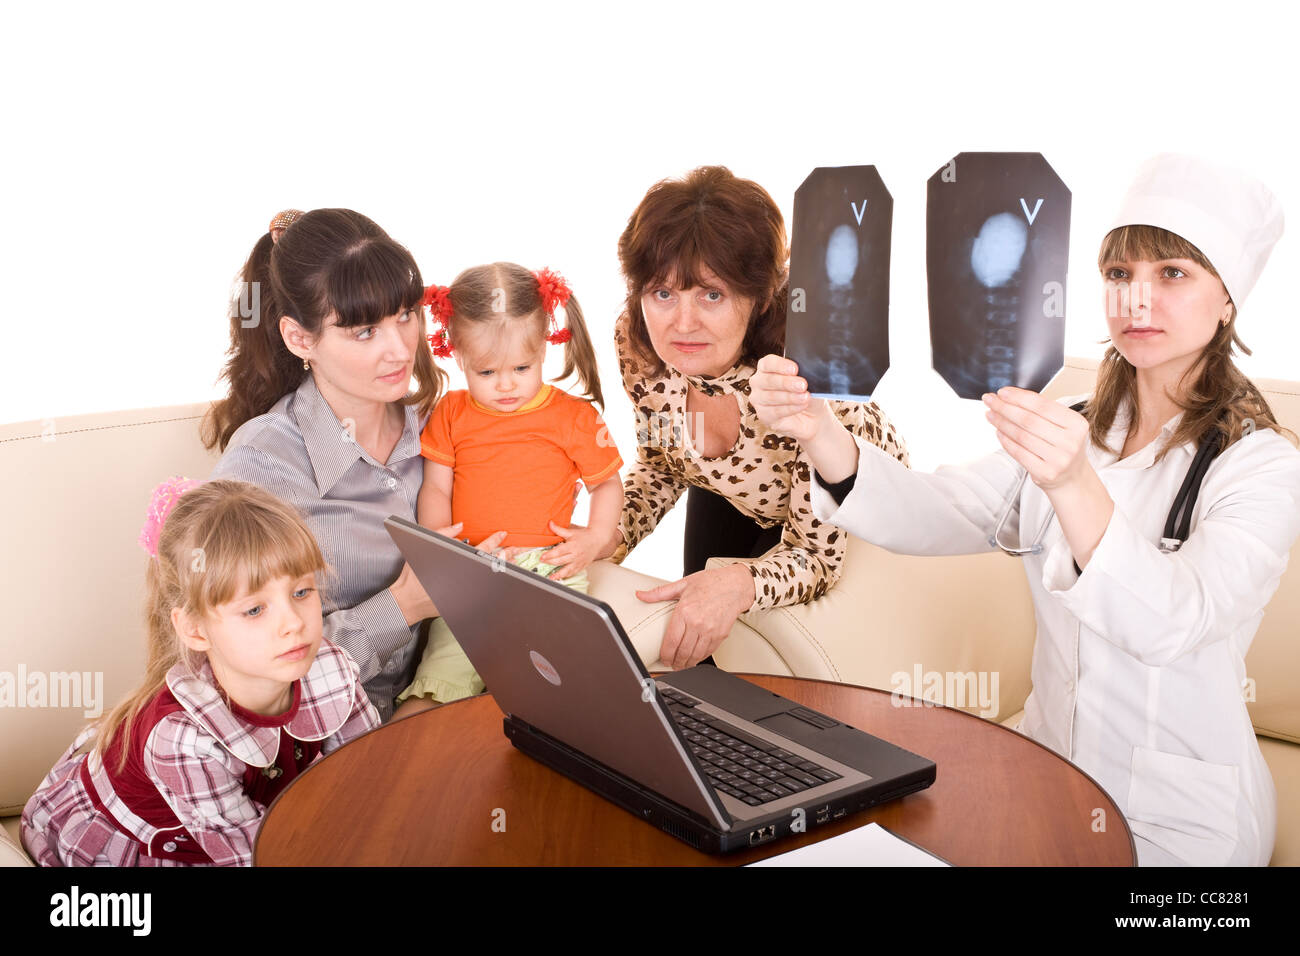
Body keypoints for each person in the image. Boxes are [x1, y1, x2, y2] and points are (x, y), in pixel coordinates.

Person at [749, 154, 1300, 866]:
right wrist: (820, 433)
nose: (1137, 300)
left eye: (1172, 275)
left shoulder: (1262, 464)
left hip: (1182, 822)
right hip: (1052, 776)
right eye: (1119, 274)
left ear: (1227, 300)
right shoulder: (1073, 421)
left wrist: (1073, 484)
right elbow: (937, 511)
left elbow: (1173, 622)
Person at [601, 166, 910, 670]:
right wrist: (603, 537)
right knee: (695, 653)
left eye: (712, 294)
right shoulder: (639, 342)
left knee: (755, 669)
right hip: (734, 490)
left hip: (852, 523)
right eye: (663, 293)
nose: (682, 323)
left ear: (762, 295)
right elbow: (662, 463)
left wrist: (741, 583)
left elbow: (816, 557)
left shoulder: (811, 372)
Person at [203, 209, 505, 720]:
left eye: (406, 315)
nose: (399, 350)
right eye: (365, 332)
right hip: (325, 741)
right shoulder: (263, 466)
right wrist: (406, 604)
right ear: (301, 339)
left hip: (457, 707)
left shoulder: (442, 423)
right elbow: (247, 672)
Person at [21, 478, 380, 866]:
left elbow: (375, 774)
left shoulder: (330, 669)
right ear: (195, 630)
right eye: (255, 610)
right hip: (154, 844)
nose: (293, 623)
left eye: (302, 592)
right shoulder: (181, 740)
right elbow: (259, 858)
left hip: (259, 827)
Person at [394, 263, 623, 712]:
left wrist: (596, 537)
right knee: (441, 677)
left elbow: (607, 486)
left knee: (558, 687)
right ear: (456, 354)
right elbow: (436, 489)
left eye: (522, 367)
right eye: (485, 372)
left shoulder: (573, 417)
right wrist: (446, 551)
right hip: (473, 570)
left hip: (551, 572)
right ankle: (406, 756)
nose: (505, 385)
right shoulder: (451, 412)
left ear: (544, 348)